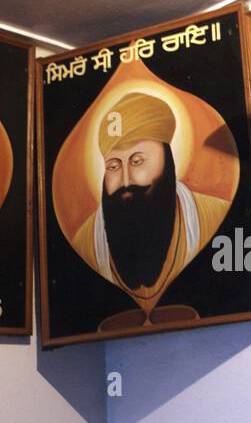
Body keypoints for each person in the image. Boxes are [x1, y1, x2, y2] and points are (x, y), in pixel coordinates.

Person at [71, 91, 229, 300]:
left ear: (167, 160)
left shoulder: (215, 216)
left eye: (137, 161)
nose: (126, 180)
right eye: (113, 166)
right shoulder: (85, 242)